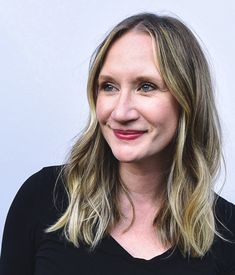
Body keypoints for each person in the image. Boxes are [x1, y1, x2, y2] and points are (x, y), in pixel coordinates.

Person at [0, 12, 235, 275]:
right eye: (109, 86)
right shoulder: (43, 198)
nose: (121, 113)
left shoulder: (229, 234)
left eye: (146, 86)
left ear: (188, 100)